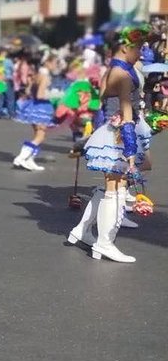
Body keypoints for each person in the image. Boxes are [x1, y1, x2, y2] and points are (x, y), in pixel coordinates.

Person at [67, 25, 157, 262]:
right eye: (138, 48)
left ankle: (82, 231)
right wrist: (129, 151)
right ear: (126, 47)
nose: (141, 53)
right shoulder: (123, 74)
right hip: (118, 135)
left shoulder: (114, 69)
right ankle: (104, 244)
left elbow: (103, 107)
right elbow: (126, 115)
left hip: (110, 132)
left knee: (112, 186)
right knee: (115, 189)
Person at [12, 52, 55, 172]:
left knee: (38, 134)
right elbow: (41, 94)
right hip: (41, 108)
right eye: (54, 62)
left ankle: (30, 160)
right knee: (40, 136)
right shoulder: (45, 76)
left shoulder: (37, 74)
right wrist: (55, 95)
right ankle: (21, 158)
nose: (55, 65)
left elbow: (28, 91)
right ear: (47, 62)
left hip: (34, 106)